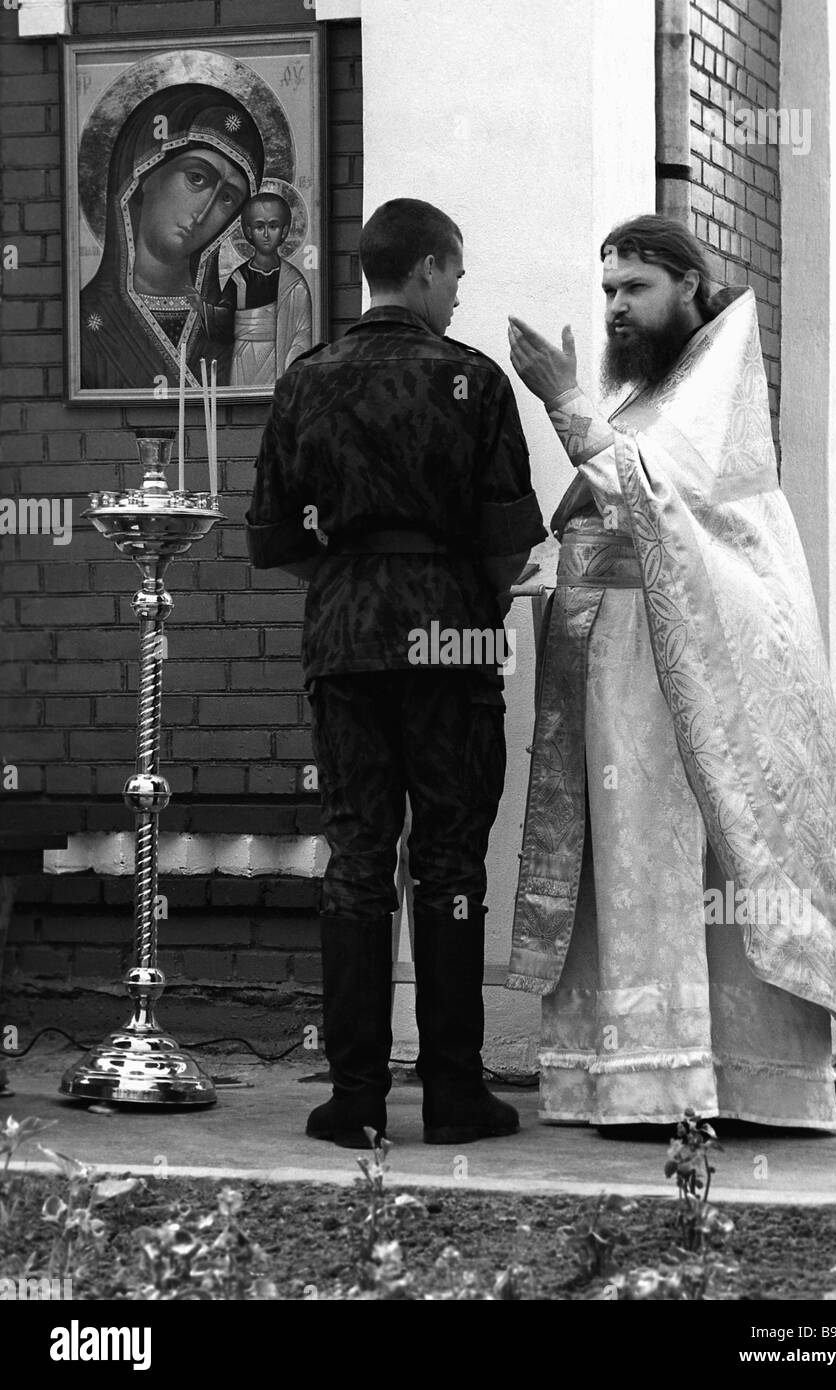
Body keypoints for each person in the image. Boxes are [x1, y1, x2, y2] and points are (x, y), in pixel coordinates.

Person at [505, 214, 836, 1135]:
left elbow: (656, 494)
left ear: (691, 290)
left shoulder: (718, 377)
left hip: (680, 674)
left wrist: (563, 402)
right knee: (629, 862)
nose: (618, 306)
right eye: (610, 288)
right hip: (623, 665)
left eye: (637, 288)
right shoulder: (648, 395)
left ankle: (707, 1077)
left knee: (677, 860)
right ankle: (633, 1075)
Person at [246, 197, 546, 1147]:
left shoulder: (305, 380)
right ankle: (455, 1091)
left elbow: (269, 540)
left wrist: (347, 576)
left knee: (358, 857)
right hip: (450, 639)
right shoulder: (473, 380)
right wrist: (475, 596)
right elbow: (507, 544)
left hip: (344, 639)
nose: (459, 294)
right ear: (424, 269)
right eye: (455, 275)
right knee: (451, 858)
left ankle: (356, 1098)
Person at [80, 84, 264, 391]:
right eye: (197, 178)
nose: (204, 214)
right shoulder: (86, 323)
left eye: (228, 199)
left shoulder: (228, 329)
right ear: (147, 172)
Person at [205, 192, 313, 388]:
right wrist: (204, 310)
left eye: (272, 226)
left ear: (284, 231)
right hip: (244, 359)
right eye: (259, 227)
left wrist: (291, 372)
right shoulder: (238, 279)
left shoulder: (294, 283)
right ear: (248, 232)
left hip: (279, 359)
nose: (265, 234)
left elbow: (302, 334)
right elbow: (224, 323)